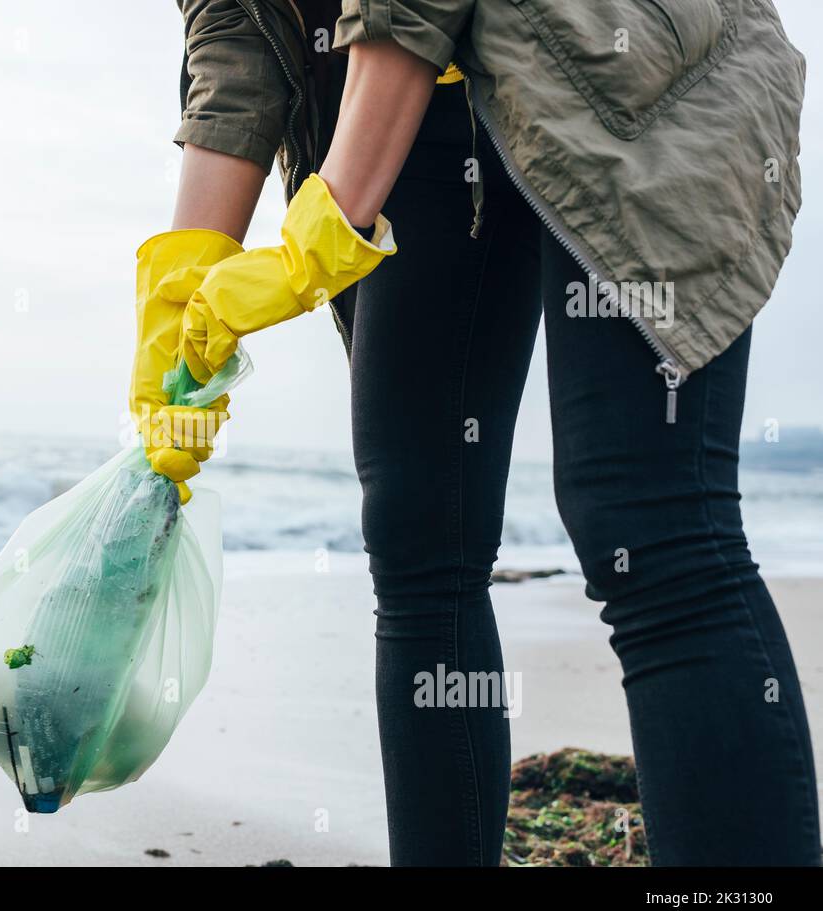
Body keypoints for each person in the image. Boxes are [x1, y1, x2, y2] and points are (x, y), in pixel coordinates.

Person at [130, 0, 820, 865]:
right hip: (417, 116)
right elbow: (239, 33)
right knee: (420, 539)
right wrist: (181, 296)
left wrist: (328, 225)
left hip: (621, 55)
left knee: (649, 527)